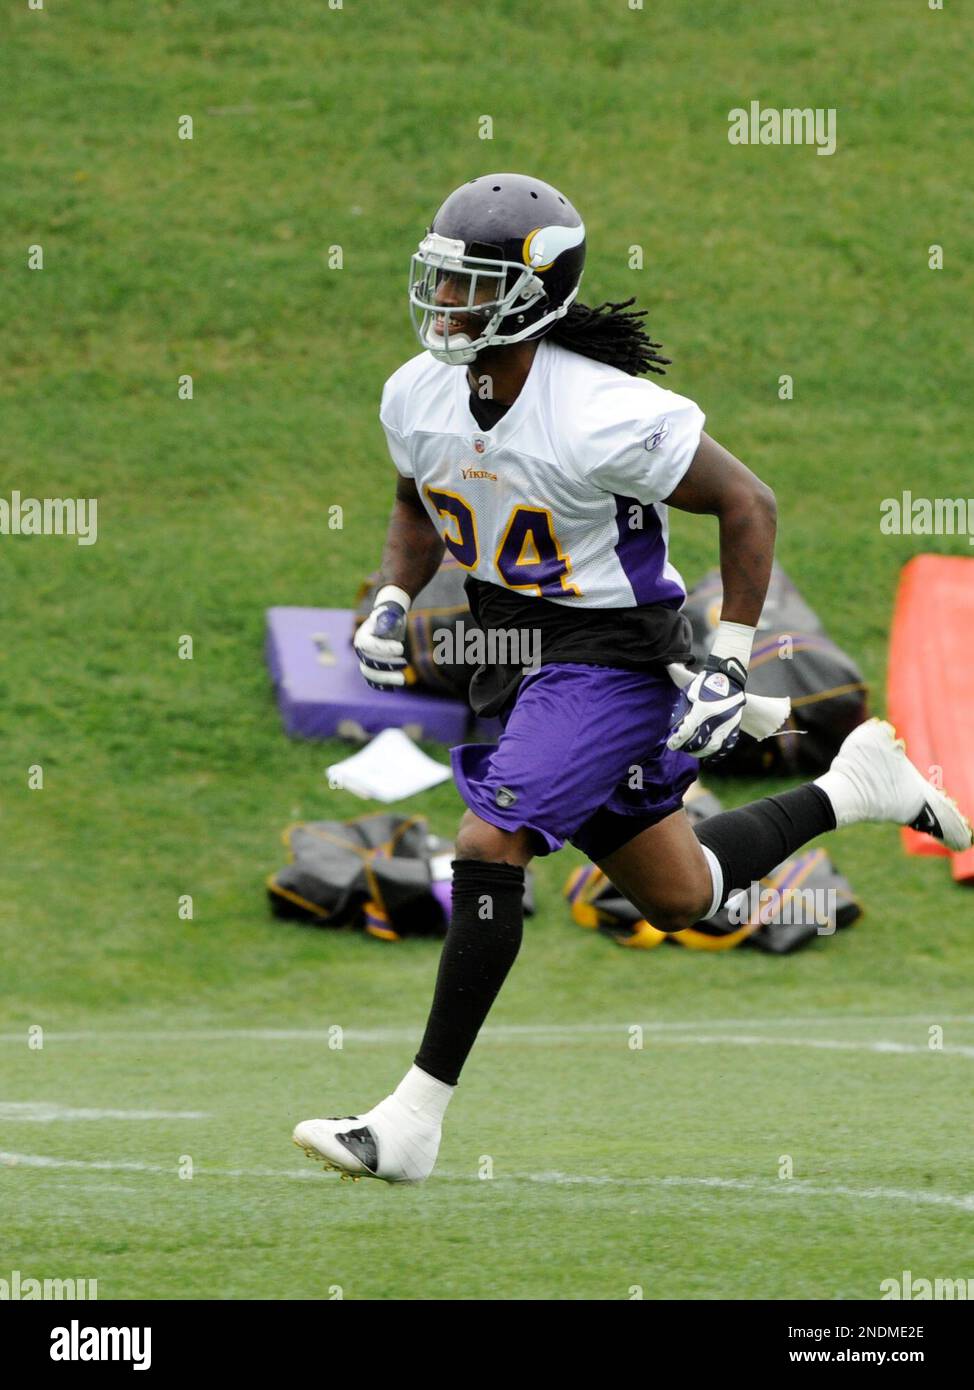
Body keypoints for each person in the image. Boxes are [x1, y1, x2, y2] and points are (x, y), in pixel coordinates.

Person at [293, 173, 972, 1183]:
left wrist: (727, 654)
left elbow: (747, 503)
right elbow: (413, 500)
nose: (445, 303)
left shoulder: (602, 410)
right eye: (439, 279)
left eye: (471, 286)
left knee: (491, 840)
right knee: (679, 893)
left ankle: (409, 1122)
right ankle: (852, 787)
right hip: (505, 651)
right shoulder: (416, 390)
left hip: (609, 652)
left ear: (530, 294)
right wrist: (394, 597)